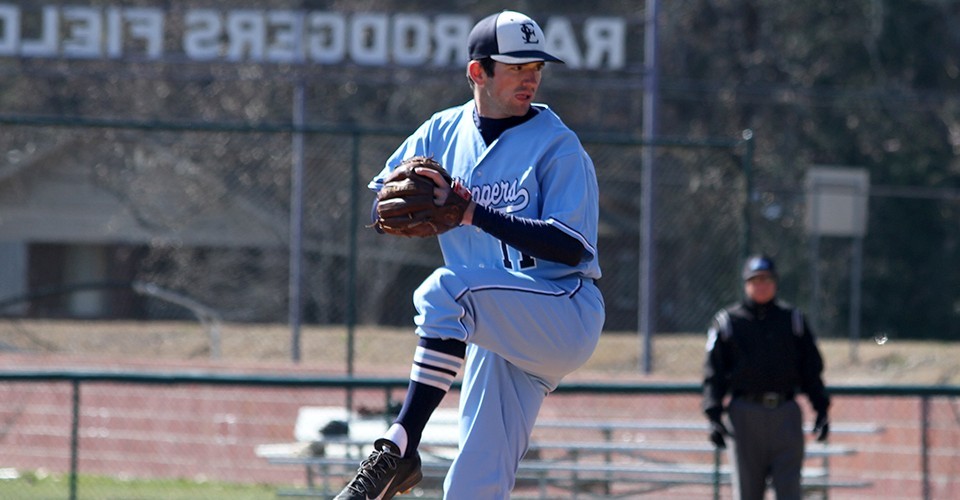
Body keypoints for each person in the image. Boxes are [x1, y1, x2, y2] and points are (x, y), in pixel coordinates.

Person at [334, 10, 604, 500]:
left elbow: (571, 246)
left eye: (537, 67)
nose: (531, 78)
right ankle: (408, 456)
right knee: (472, 488)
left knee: (444, 290)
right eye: (517, 67)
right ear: (478, 71)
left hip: (561, 311)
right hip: (495, 333)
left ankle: (399, 445)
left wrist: (470, 213)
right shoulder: (442, 130)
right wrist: (393, 207)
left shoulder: (558, 145)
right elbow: (384, 199)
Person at [702, 254, 831, 500]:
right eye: (755, 279)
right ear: (746, 283)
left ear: (776, 283)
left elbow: (811, 370)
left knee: (789, 491)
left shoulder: (792, 320)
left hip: (786, 413)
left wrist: (821, 409)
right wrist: (713, 414)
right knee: (747, 493)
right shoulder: (729, 322)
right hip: (744, 415)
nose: (762, 285)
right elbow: (713, 373)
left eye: (767, 279)